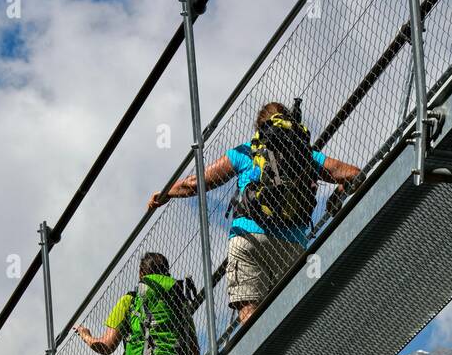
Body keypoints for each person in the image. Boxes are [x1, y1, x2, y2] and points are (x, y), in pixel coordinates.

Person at [147, 101, 361, 324]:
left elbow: (196, 183)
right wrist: (336, 198)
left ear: (259, 128)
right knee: (289, 317)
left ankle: (256, 349)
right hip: (292, 244)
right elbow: (354, 174)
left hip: (249, 237)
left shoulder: (245, 152)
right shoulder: (307, 155)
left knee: (249, 310)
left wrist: (165, 194)